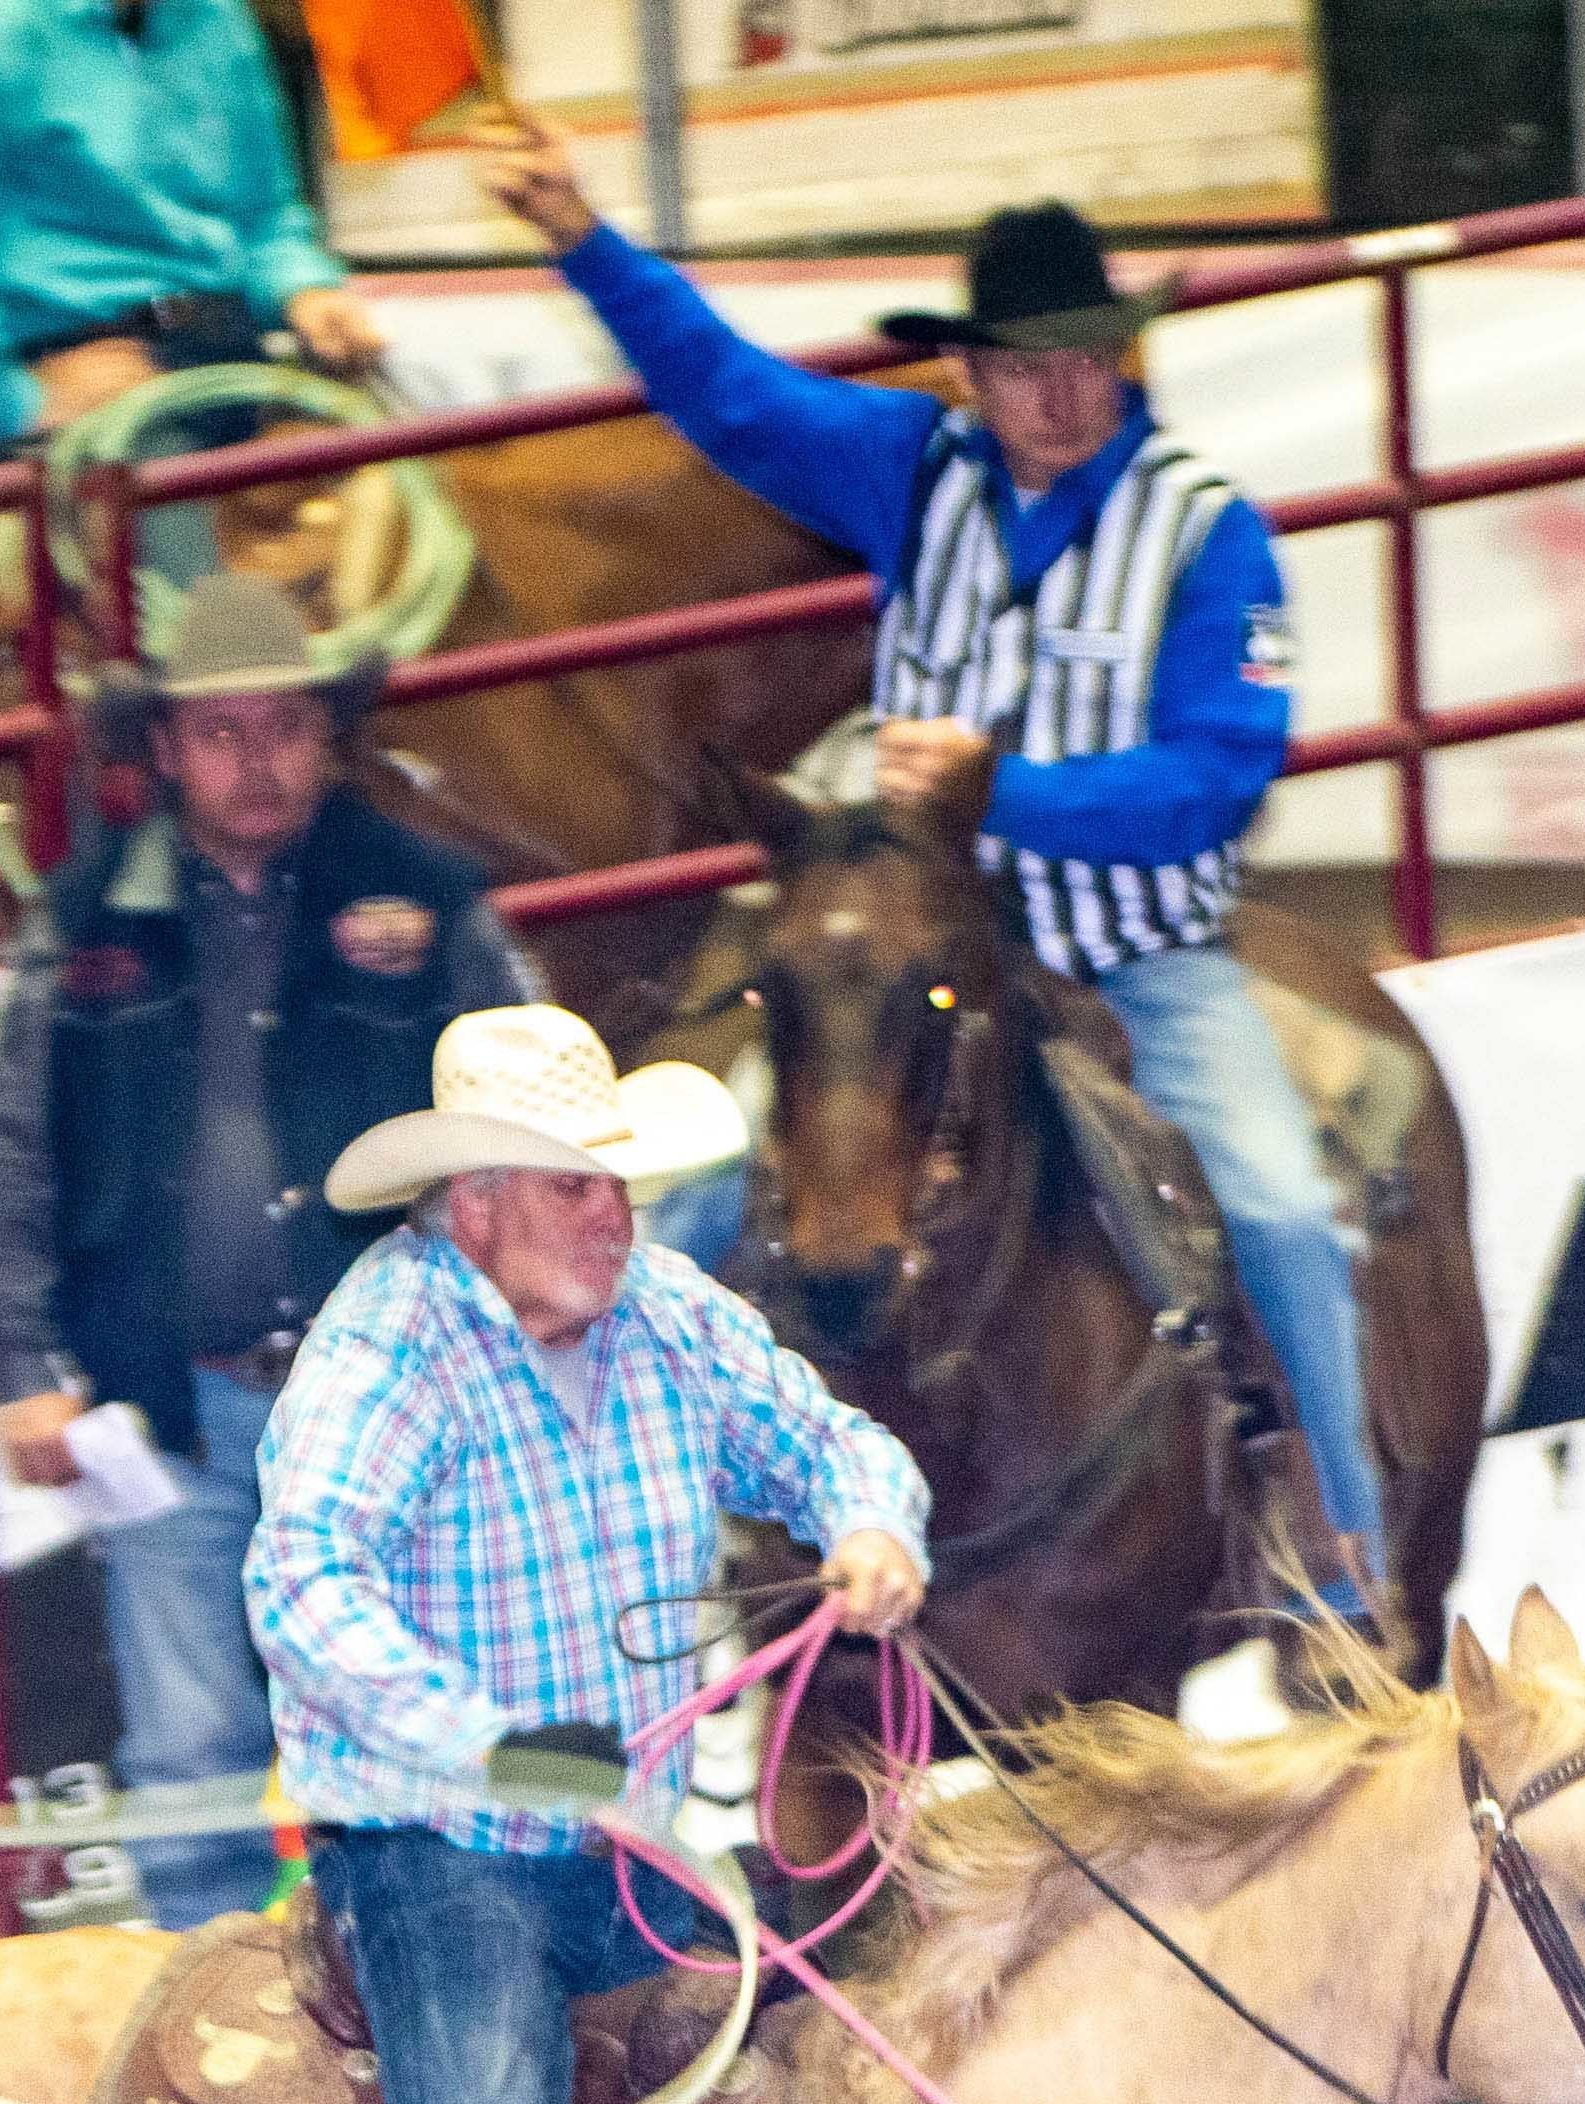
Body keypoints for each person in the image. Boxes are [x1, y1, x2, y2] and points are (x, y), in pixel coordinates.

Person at [490, 153, 1393, 1605]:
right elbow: (726, 390)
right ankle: (663, 1529)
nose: (1060, 391)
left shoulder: (1204, 530)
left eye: (1087, 360)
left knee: (1284, 1205)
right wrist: (587, 243)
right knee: (699, 1196)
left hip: (1133, 955)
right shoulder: (911, 470)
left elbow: (1221, 773)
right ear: (965, 373)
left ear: (1125, 358)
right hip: (913, 964)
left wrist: (997, 790)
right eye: (1025, 367)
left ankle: (1334, 1544)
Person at [244, 1004, 928, 2104]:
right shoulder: (390, 1344)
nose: (616, 1214)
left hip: (623, 1841)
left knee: (830, 2075)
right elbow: (303, 1581)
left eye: (621, 1181)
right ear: (471, 1205)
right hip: (435, 1848)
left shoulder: (674, 1327)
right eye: (574, 1186)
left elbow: (832, 1441)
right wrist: (489, 1745)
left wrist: (872, 1529)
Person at [0, 567, 524, 1927]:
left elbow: (521, 1113)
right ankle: (209, 2049)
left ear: (328, 739)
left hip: (391, 1399)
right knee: (188, 1757)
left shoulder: (429, 905)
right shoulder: (83, 925)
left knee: (405, 1731)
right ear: (162, 750)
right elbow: (7, 1145)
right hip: (174, 1401)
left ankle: (429, 1978)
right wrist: (23, 1357)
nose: (255, 759)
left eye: (282, 726)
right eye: (220, 730)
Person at [0, 0, 378, 447]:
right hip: (90, 377)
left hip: (229, 354)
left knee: (406, 501)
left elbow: (265, 213)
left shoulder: (216, 19)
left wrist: (302, 289)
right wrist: (7, 398)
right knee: (208, 575)